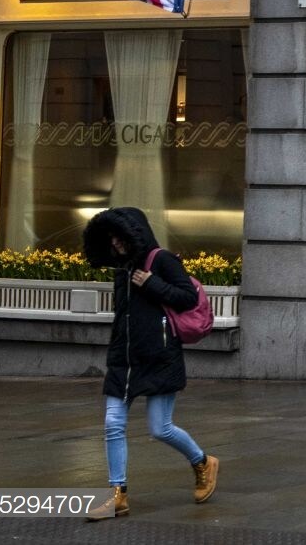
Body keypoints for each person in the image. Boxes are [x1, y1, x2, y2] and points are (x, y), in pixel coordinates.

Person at [79, 207, 220, 520]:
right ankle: (118, 494)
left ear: (135, 234)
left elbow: (187, 298)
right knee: (113, 424)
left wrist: (152, 283)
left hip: (159, 356)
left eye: (120, 237)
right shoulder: (122, 269)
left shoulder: (161, 259)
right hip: (124, 359)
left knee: (160, 428)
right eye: (111, 238)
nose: (116, 244)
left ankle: (202, 462)